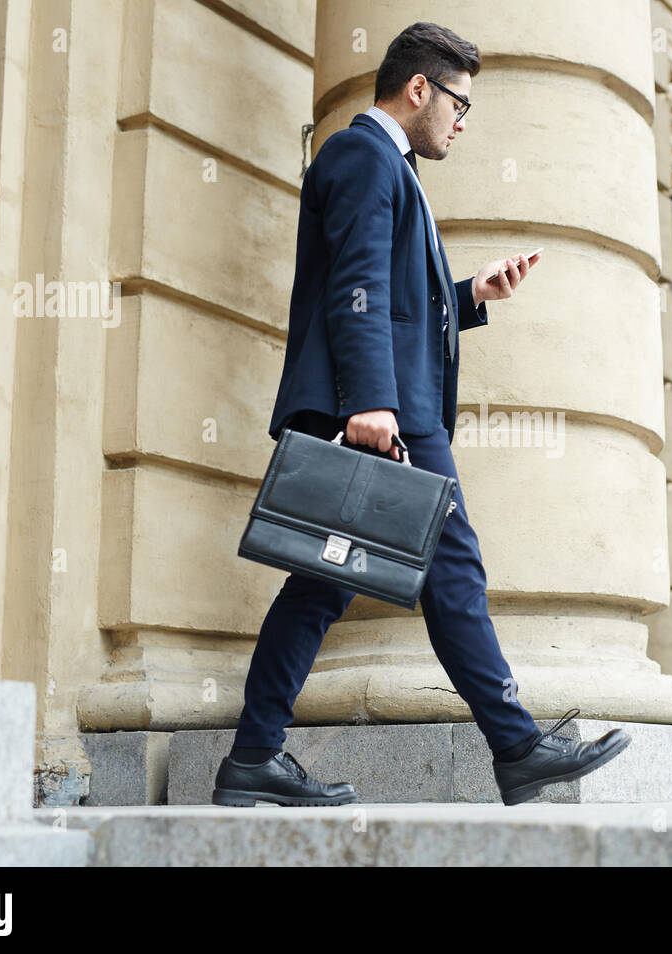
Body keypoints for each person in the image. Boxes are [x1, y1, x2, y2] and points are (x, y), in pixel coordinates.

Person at [213, 21, 630, 808]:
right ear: (418, 89)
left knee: (320, 587)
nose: (462, 123)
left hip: (380, 404)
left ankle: (252, 758)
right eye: (459, 105)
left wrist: (471, 295)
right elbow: (357, 287)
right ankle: (515, 745)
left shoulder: (380, 166)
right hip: (384, 412)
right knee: (452, 570)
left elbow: (392, 297)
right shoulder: (364, 157)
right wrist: (372, 402)